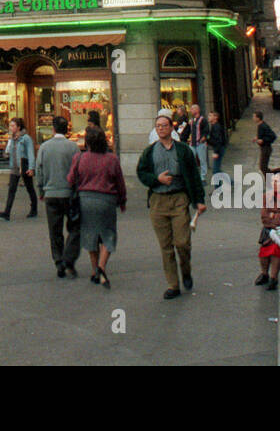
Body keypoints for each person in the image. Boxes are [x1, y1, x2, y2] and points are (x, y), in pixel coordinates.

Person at [136, 112, 206, 300]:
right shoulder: (149, 152)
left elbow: (193, 176)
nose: (161, 129)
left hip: (179, 198)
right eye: (158, 126)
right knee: (166, 246)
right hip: (158, 201)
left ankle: (186, 270)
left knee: (182, 242)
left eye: (164, 125)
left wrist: (199, 200)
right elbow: (141, 172)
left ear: (171, 128)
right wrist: (155, 179)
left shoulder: (183, 150)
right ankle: (173, 284)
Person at [67, 125, 127, 288]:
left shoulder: (79, 158)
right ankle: (101, 268)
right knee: (108, 234)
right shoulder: (112, 159)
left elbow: (70, 179)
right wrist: (122, 201)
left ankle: (95, 270)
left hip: (85, 200)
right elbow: (119, 182)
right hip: (107, 200)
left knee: (90, 235)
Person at [35, 116, 81, 278]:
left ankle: (58, 260)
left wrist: (41, 190)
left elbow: (38, 170)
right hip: (69, 194)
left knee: (55, 230)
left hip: (51, 194)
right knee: (75, 227)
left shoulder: (44, 147)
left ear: (53, 129)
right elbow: (78, 171)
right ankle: (69, 257)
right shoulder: (73, 147)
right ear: (67, 129)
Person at [0, 117, 37, 220]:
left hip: (24, 166)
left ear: (18, 127)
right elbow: (9, 151)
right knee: (11, 190)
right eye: (10, 125)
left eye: (13, 126)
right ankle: (7, 212)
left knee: (30, 188)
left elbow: (31, 154)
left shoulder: (26, 138)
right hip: (14, 167)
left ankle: (34, 208)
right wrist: (6, 152)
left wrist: (31, 168)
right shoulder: (12, 138)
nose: (10, 127)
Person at [205, 110, 228, 177]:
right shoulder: (213, 126)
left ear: (215, 117)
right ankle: (230, 182)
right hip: (218, 148)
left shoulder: (216, 127)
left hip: (219, 149)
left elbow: (218, 141)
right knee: (217, 170)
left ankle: (220, 186)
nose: (208, 117)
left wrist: (216, 152)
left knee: (215, 171)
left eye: (210, 115)